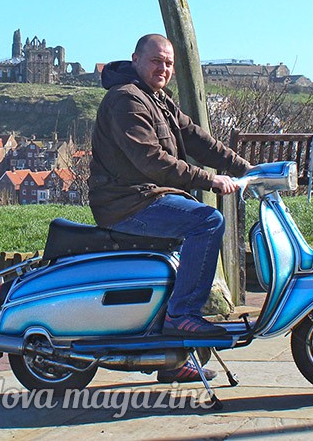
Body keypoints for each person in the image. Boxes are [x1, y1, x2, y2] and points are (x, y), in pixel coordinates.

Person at [89, 34, 252, 383]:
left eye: (168, 63)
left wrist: (246, 169)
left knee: (185, 247)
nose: (163, 68)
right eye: (156, 60)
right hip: (126, 203)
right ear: (136, 59)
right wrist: (209, 180)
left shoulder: (158, 99)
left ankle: (170, 358)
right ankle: (182, 315)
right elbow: (151, 161)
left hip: (148, 195)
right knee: (206, 221)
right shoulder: (126, 100)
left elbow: (197, 139)